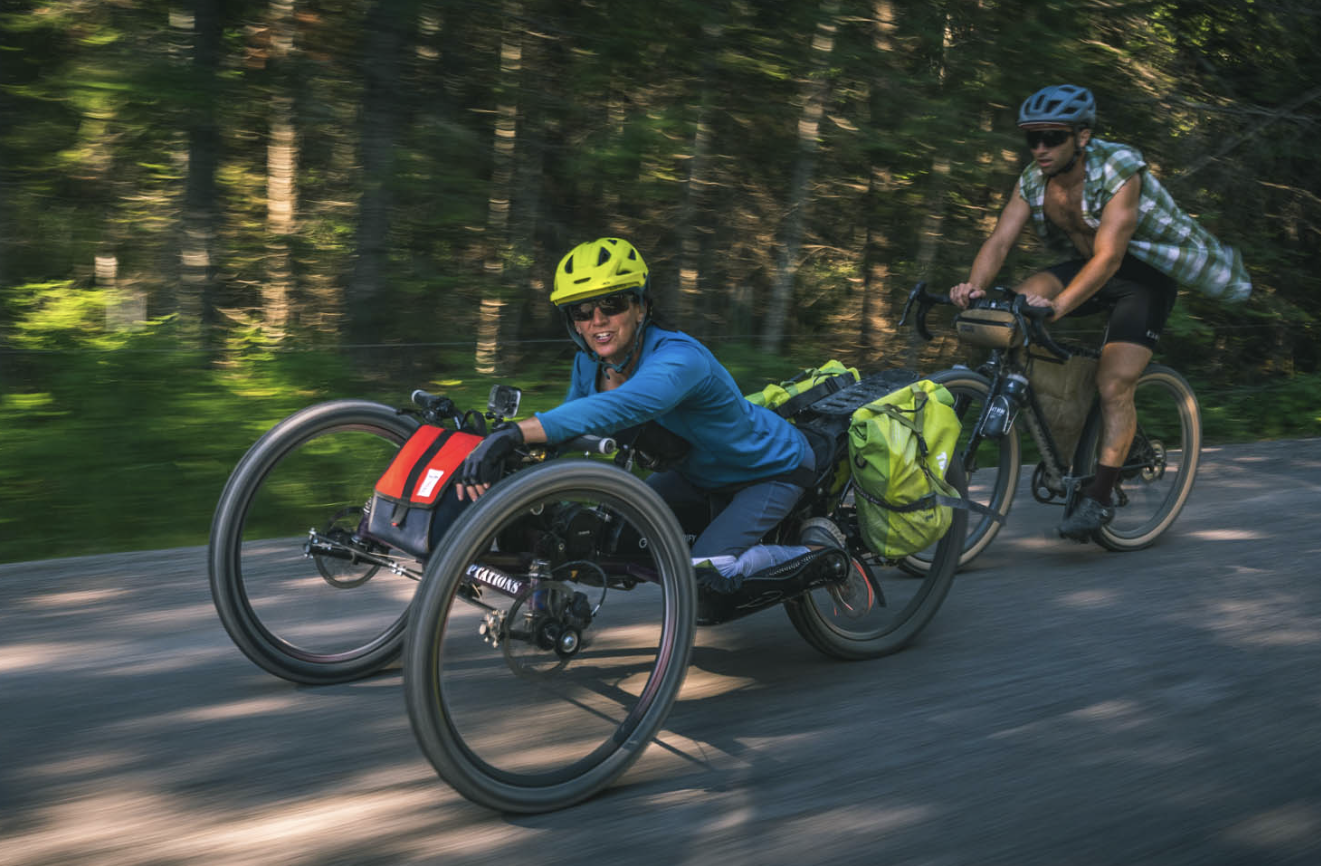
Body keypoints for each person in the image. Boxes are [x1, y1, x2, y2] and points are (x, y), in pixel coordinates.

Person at [950, 84, 1250, 541]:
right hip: (1084, 266)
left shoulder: (1119, 169)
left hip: (1140, 277)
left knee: (1114, 383)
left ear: (1082, 136)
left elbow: (1110, 259)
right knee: (1006, 316)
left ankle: (1101, 495)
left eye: (1052, 136)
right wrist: (975, 287)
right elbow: (999, 240)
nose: (1041, 148)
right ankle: (1061, 427)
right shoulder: (1034, 179)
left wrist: (1059, 306)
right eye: (1032, 139)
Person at [455, 237, 844, 585]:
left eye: (612, 303)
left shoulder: (679, 359)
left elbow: (616, 408)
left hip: (770, 471)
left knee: (703, 576)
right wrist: (503, 452)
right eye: (581, 311)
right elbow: (569, 424)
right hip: (698, 476)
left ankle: (822, 554)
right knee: (618, 542)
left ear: (640, 307)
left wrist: (514, 433)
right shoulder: (590, 365)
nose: (597, 321)